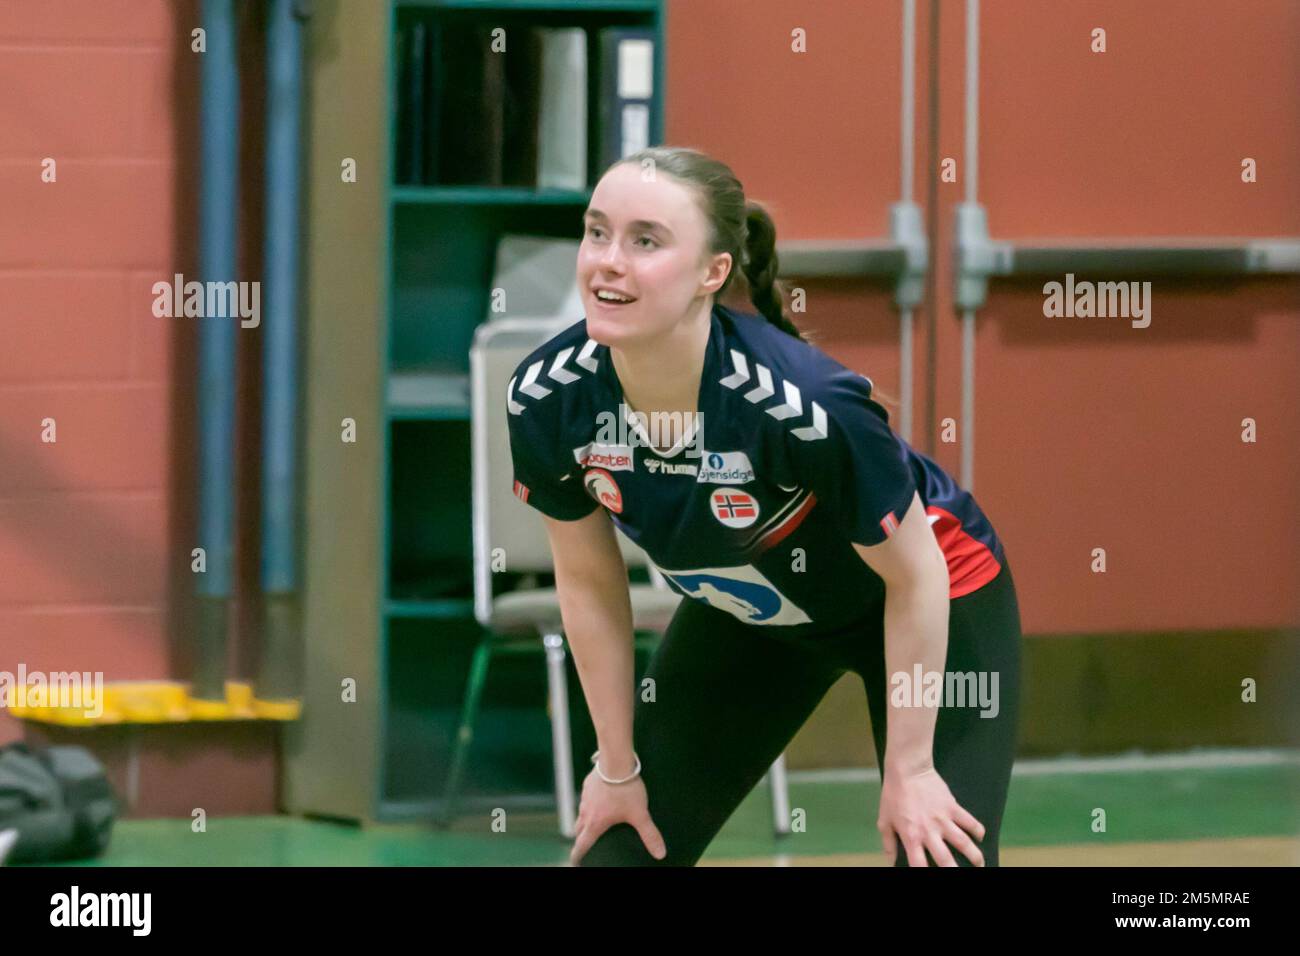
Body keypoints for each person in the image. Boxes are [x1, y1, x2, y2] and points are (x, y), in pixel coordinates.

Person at [505, 145, 1022, 867]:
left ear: (712, 273)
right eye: (597, 232)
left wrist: (910, 770)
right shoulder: (547, 397)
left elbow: (916, 576)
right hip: (758, 616)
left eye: (645, 240)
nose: (608, 261)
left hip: (932, 602)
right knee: (616, 855)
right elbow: (589, 582)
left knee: (936, 853)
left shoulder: (802, 405)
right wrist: (615, 766)